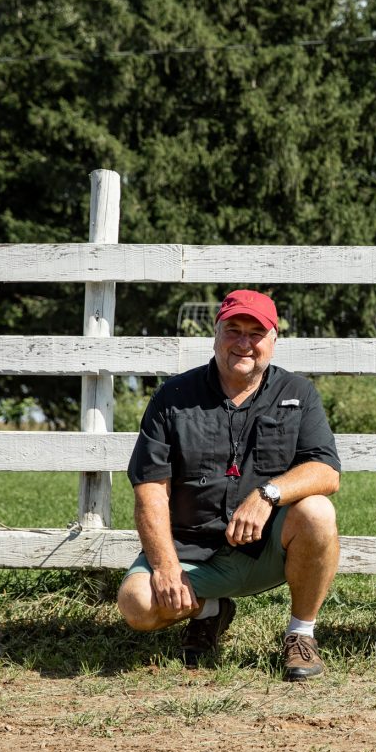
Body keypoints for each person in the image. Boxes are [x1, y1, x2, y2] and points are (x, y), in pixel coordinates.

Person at [117, 289, 341, 680]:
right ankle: (209, 610)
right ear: (216, 334)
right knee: (137, 605)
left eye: (256, 333)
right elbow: (150, 489)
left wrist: (268, 494)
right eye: (233, 330)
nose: (244, 343)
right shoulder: (173, 397)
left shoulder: (298, 393)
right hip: (192, 549)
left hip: (267, 549)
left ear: (274, 340)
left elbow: (326, 471)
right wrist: (166, 567)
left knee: (318, 511)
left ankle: (300, 635)